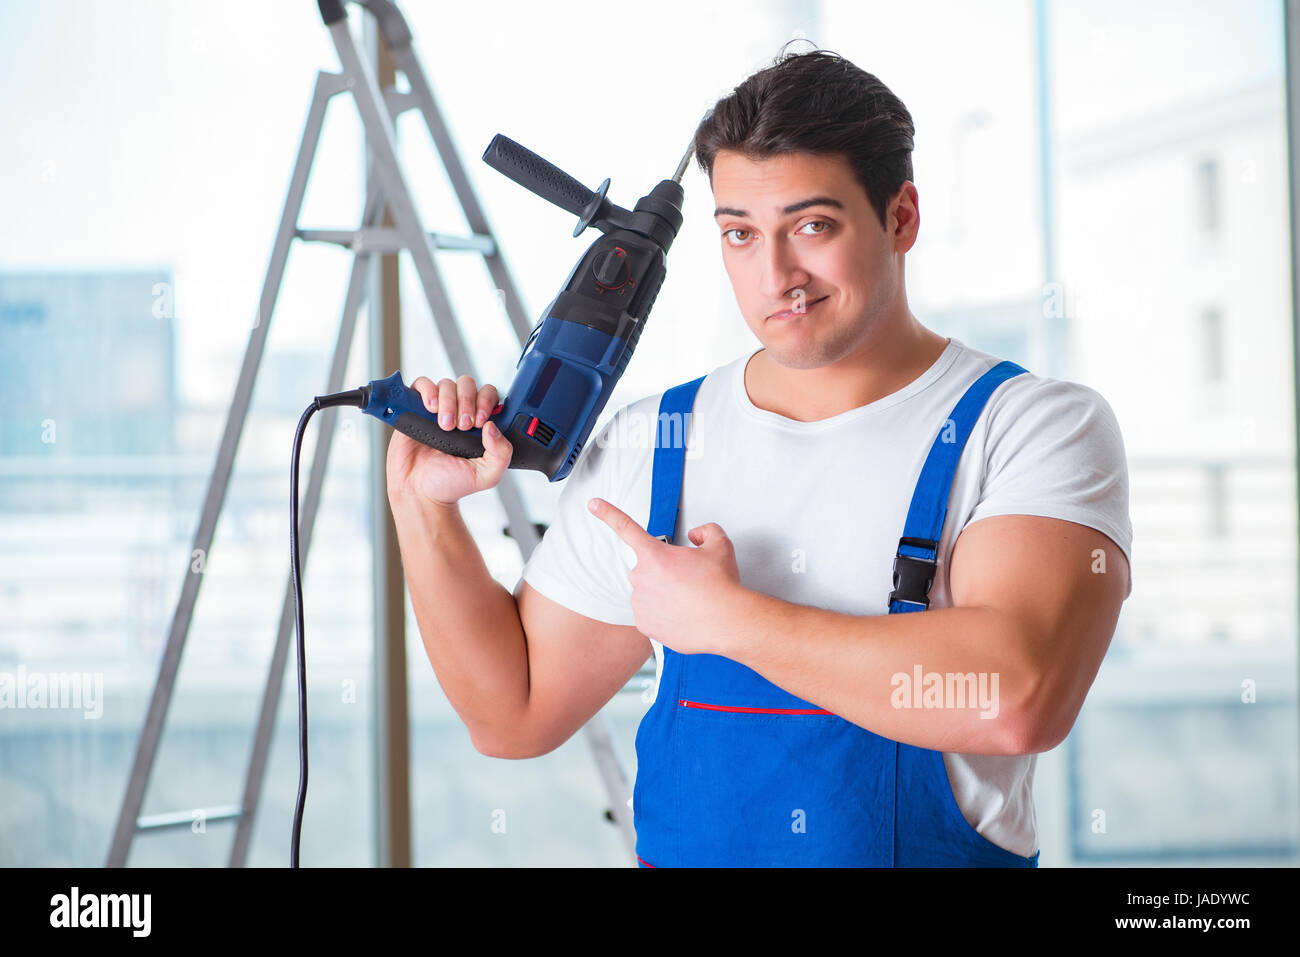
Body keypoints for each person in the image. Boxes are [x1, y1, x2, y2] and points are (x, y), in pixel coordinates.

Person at [385, 48, 1132, 867]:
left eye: (813, 226)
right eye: (740, 234)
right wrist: (424, 508)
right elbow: (513, 714)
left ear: (901, 219)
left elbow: (1014, 698)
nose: (777, 276)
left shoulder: (1029, 427)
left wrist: (728, 622)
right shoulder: (656, 439)